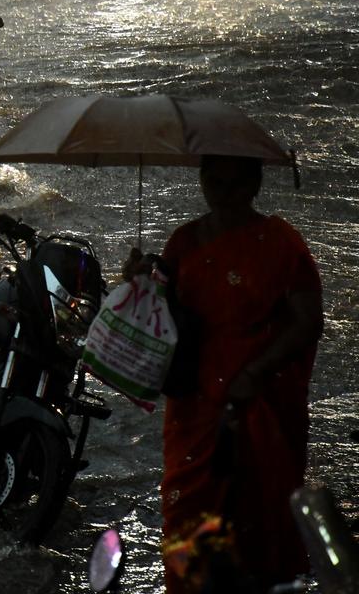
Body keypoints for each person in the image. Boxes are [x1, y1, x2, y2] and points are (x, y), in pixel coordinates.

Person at [123, 155, 323, 593]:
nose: (224, 193)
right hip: (195, 406)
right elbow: (160, 313)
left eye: (235, 184)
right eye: (214, 181)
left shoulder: (280, 243)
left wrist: (255, 371)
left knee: (260, 514)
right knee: (187, 511)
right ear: (202, 182)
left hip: (259, 402)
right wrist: (137, 279)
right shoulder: (185, 242)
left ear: (254, 185)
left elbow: (308, 320)